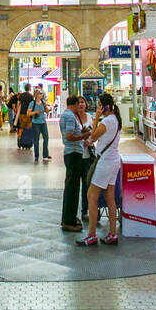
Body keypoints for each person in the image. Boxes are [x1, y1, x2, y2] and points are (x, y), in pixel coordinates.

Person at [77, 92, 122, 247]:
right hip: (114, 160)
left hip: (105, 162)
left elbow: (93, 135)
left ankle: (91, 235)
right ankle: (112, 234)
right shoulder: (115, 119)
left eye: (100, 105)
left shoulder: (107, 121)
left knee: (91, 195)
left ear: (104, 106)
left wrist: (96, 117)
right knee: (110, 196)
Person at [59, 94, 89, 231]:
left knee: (72, 187)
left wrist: (80, 131)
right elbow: (69, 136)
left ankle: (69, 216)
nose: (80, 107)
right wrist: (84, 136)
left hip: (72, 153)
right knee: (73, 188)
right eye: (79, 104)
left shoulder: (66, 115)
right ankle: (68, 221)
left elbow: (71, 133)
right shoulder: (70, 116)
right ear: (75, 104)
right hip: (73, 154)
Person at [74, 95, 93, 222]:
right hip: (77, 154)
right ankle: (73, 212)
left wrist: (90, 140)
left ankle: (85, 210)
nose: (81, 104)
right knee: (75, 184)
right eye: (79, 102)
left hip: (88, 155)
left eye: (83, 102)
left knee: (87, 184)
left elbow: (94, 131)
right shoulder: (73, 118)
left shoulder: (90, 117)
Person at [28, 84, 51, 163]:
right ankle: (36, 156)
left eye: (41, 93)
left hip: (43, 122)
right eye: (40, 93)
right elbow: (28, 113)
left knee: (46, 137)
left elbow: (47, 111)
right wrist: (35, 112)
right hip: (35, 123)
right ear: (36, 95)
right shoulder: (32, 103)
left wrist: (48, 108)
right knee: (36, 139)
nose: (42, 95)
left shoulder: (43, 102)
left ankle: (45, 155)